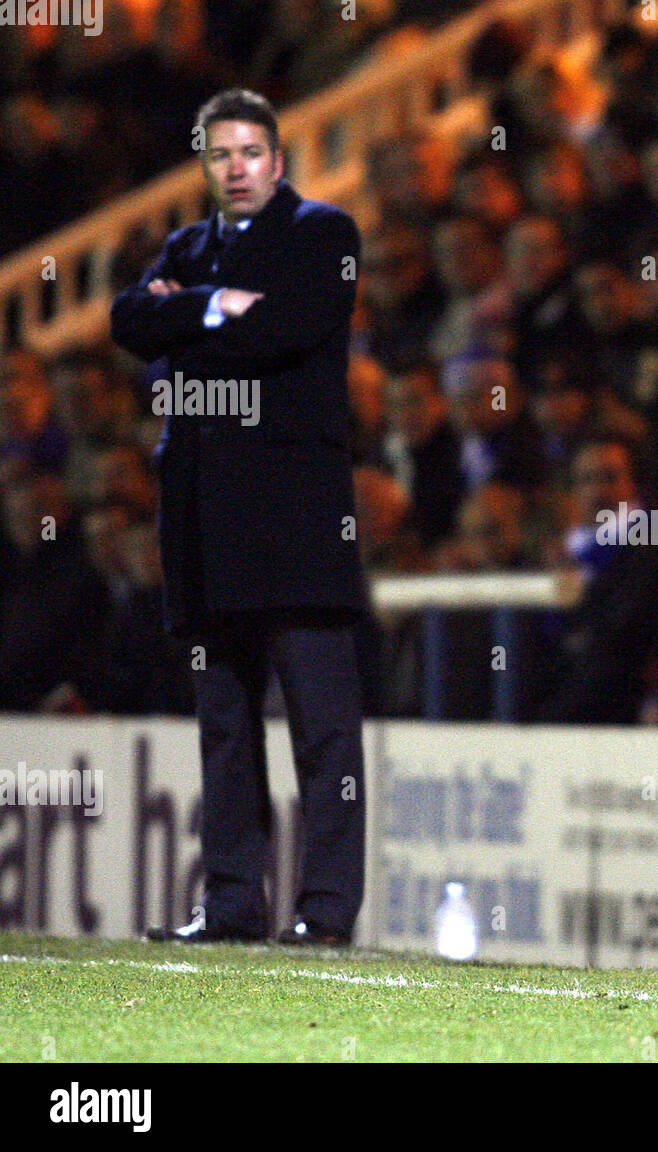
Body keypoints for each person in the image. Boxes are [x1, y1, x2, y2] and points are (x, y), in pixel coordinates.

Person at [111, 89, 366, 946]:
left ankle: (325, 913)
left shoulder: (325, 235)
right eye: (220, 154)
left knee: (323, 731)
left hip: (297, 525)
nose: (236, 167)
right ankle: (230, 904)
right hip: (204, 524)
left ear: (278, 159)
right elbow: (127, 321)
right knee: (224, 725)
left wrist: (187, 319)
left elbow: (290, 330)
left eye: (250, 151)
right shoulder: (185, 247)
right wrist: (217, 306)